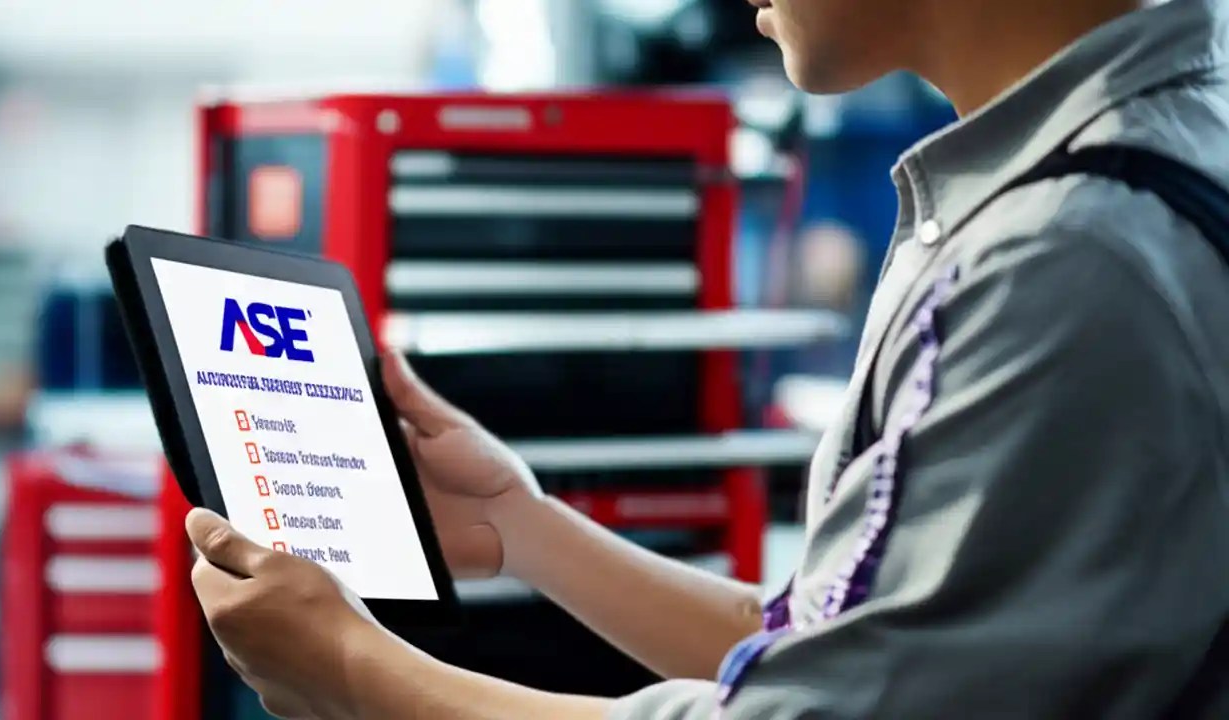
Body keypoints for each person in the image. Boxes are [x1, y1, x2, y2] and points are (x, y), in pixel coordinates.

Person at [183, 0, 1229, 717]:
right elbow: (859, 651)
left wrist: (355, 673)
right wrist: (522, 526)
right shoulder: (1120, 168)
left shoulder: (1062, 255)